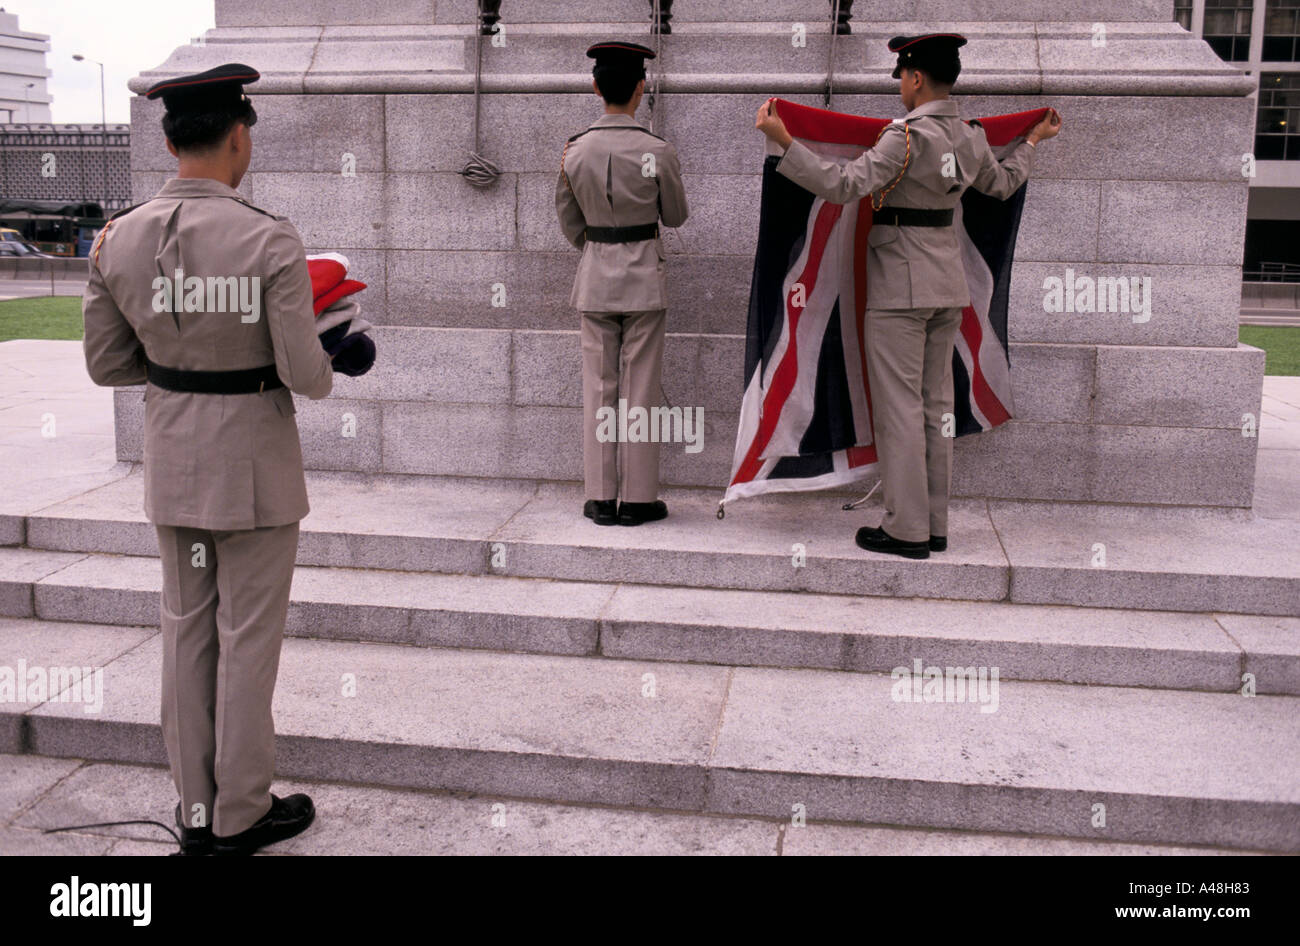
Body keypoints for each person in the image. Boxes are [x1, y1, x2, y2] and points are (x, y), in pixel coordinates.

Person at [81, 63, 334, 854]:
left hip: (175, 458)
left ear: (166, 139)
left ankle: (196, 812)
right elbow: (305, 376)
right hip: (253, 465)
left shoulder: (116, 238)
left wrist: (179, 366)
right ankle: (242, 813)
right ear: (238, 137)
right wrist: (336, 351)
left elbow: (105, 364)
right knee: (247, 640)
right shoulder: (268, 237)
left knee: (187, 633)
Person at [755, 33, 1061, 559]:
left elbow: (843, 184)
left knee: (900, 409)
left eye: (901, 75)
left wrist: (786, 143)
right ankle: (933, 525)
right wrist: (1032, 143)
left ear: (917, 77)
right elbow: (1003, 184)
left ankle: (905, 530)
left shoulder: (905, 138)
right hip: (948, 288)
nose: (899, 86)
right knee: (935, 409)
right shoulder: (969, 137)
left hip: (901, 288)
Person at [556, 41, 690, 527]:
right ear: (641, 87)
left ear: (595, 87)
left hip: (595, 278)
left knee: (598, 387)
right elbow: (675, 215)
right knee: (640, 390)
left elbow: (569, 220)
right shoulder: (657, 151)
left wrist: (598, 250)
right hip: (643, 281)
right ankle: (637, 499)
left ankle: (598, 497)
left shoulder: (575, 150)